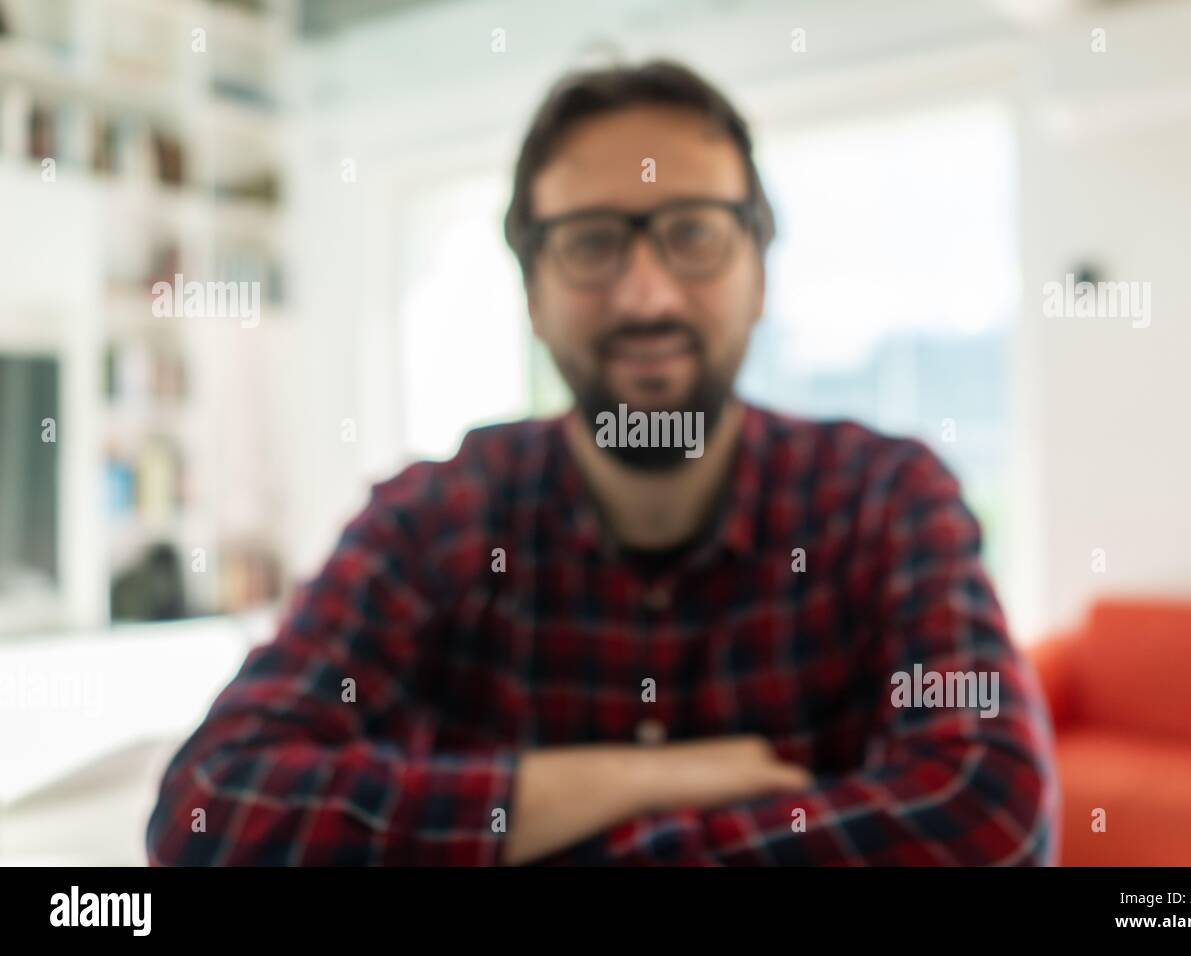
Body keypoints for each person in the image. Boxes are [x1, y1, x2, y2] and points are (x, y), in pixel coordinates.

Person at [147, 59, 1056, 866]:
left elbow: (990, 814)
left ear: (760, 271)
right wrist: (661, 777)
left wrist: (547, 824)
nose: (647, 293)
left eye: (693, 233)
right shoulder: (434, 518)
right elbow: (211, 811)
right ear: (533, 295)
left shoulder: (887, 502)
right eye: (590, 243)